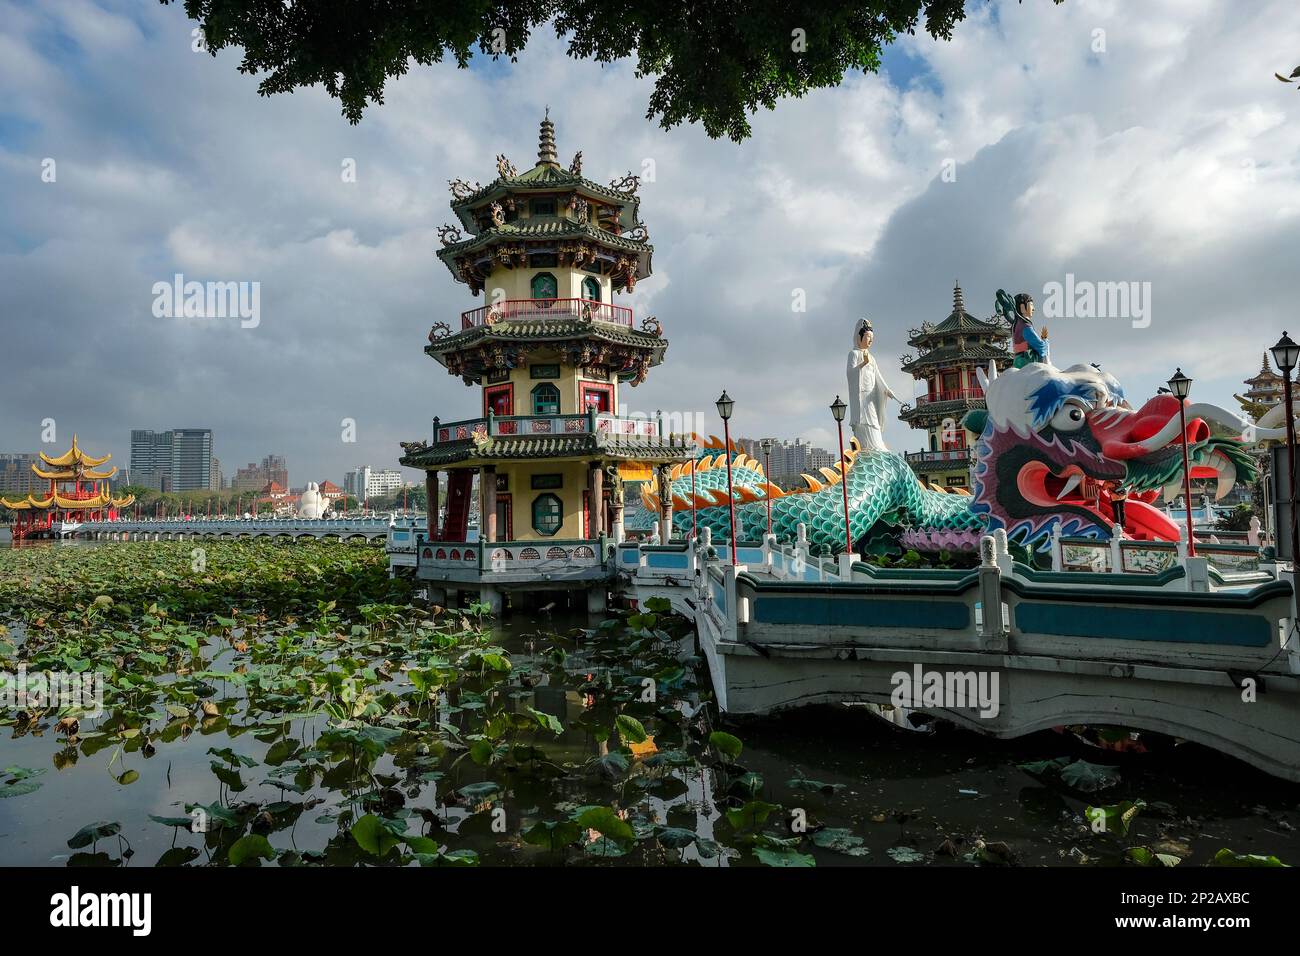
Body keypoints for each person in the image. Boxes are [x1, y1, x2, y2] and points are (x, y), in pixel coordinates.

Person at [847, 318, 900, 452]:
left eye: (872, 338)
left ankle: (876, 447)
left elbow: (878, 377)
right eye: (867, 337)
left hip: (871, 395)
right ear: (859, 336)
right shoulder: (853, 354)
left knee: (874, 422)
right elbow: (850, 373)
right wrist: (862, 364)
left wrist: (887, 390)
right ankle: (865, 449)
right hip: (860, 396)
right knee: (863, 423)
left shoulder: (872, 358)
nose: (870, 340)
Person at [997, 289, 1049, 367]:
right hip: (1028, 361)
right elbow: (1040, 346)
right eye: (1031, 305)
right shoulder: (1025, 326)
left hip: (1018, 361)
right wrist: (1045, 340)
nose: (1033, 309)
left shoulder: (1016, 324)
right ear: (1022, 307)